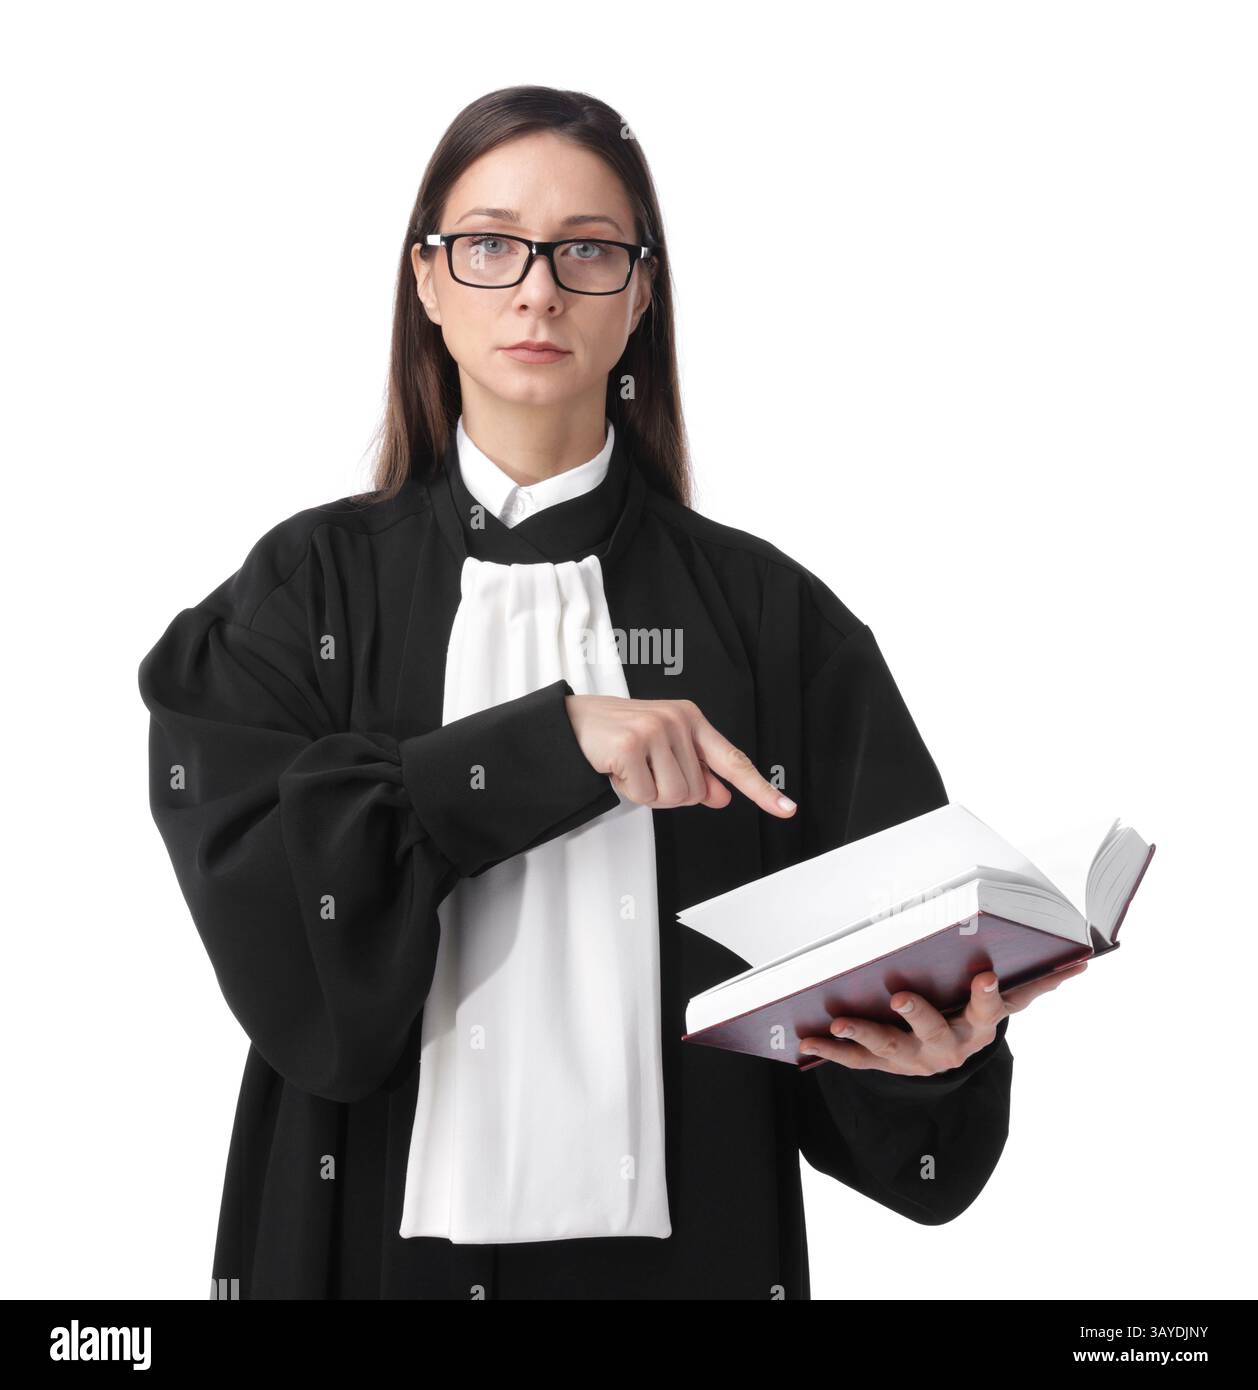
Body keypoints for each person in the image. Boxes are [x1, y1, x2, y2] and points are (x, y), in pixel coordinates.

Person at [138, 84, 1081, 1300]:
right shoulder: (304, 592)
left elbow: (878, 992)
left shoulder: (773, 621)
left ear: (640, 294)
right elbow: (265, 891)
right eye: (489, 245)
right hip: (369, 1252)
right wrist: (553, 743)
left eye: (585, 250)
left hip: (692, 1262)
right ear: (425, 283)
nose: (536, 288)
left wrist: (931, 1062)